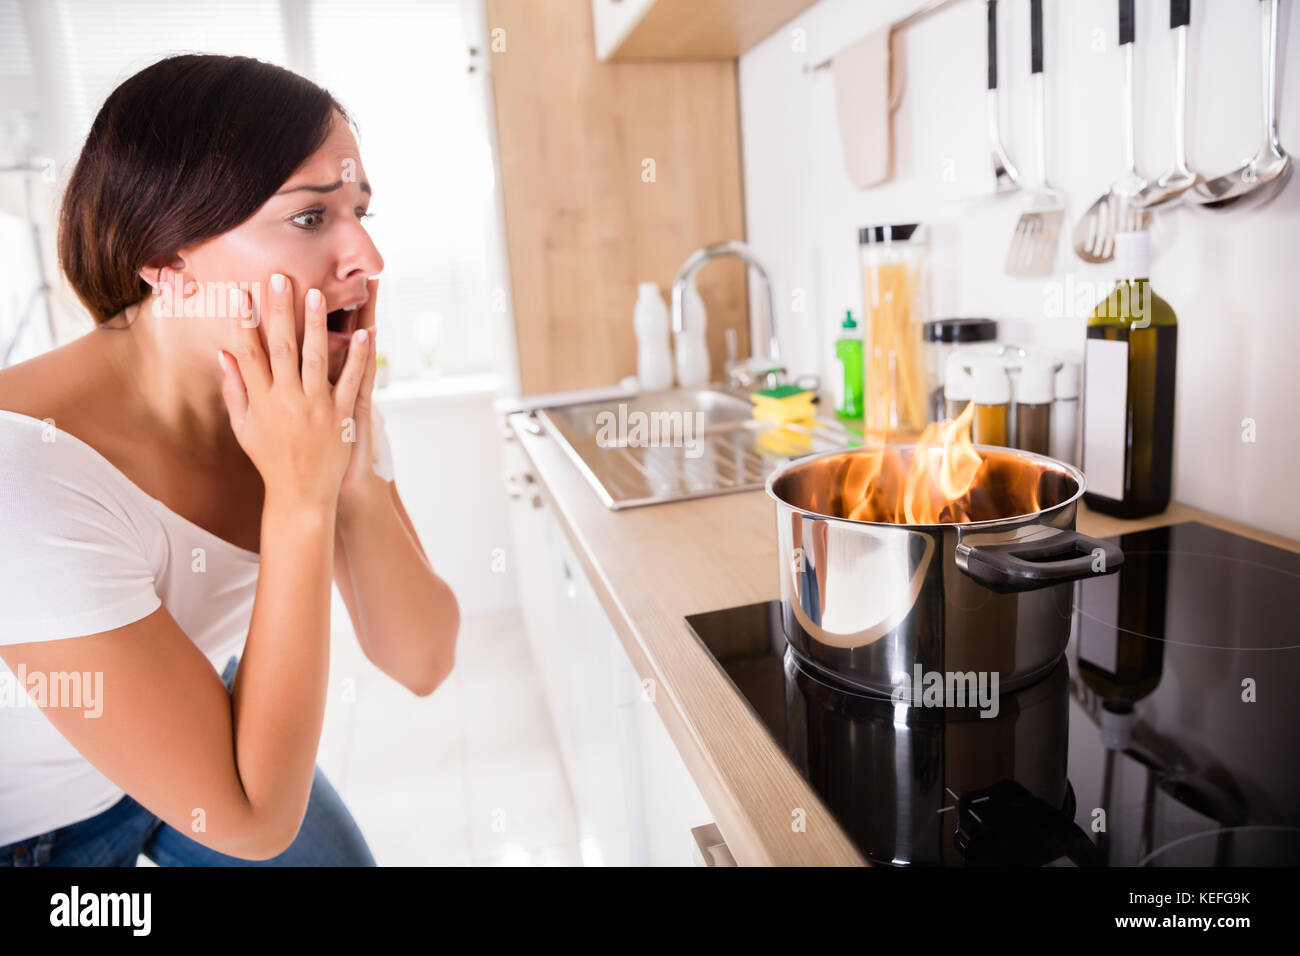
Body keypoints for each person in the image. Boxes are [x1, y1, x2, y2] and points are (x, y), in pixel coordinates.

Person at [0, 54, 460, 866]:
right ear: (169, 264)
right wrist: (298, 497)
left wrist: (345, 467)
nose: (369, 258)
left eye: (360, 210)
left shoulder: (297, 393)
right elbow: (250, 819)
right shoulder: (24, 475)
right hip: (33, 829)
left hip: (191, 718)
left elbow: (419, 659)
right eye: (312, 219)